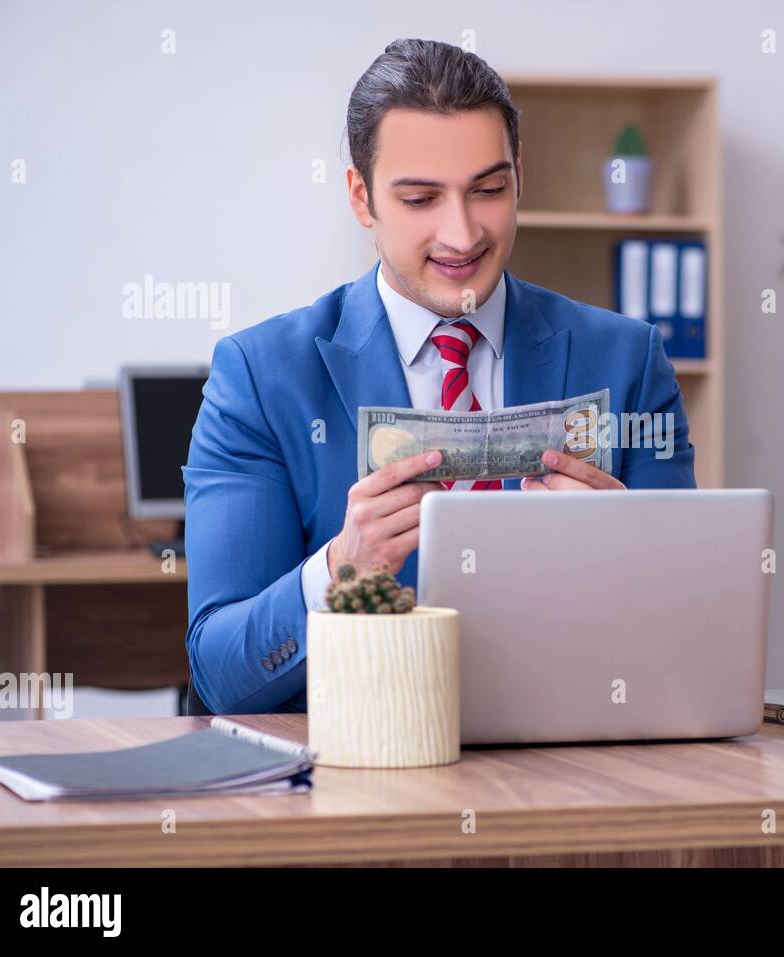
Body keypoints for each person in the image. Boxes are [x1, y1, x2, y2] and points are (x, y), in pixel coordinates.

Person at [183, 38, 695, 714]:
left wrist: (618, 563)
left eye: (488, 190)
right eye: (422, 198)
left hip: (572, 774)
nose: (463, 234)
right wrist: (339, 572)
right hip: (361, 780)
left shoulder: (628, 362)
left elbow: (691, 640)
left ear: (520, 177)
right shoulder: (259, 375)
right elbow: (222, 673)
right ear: (362, 198)